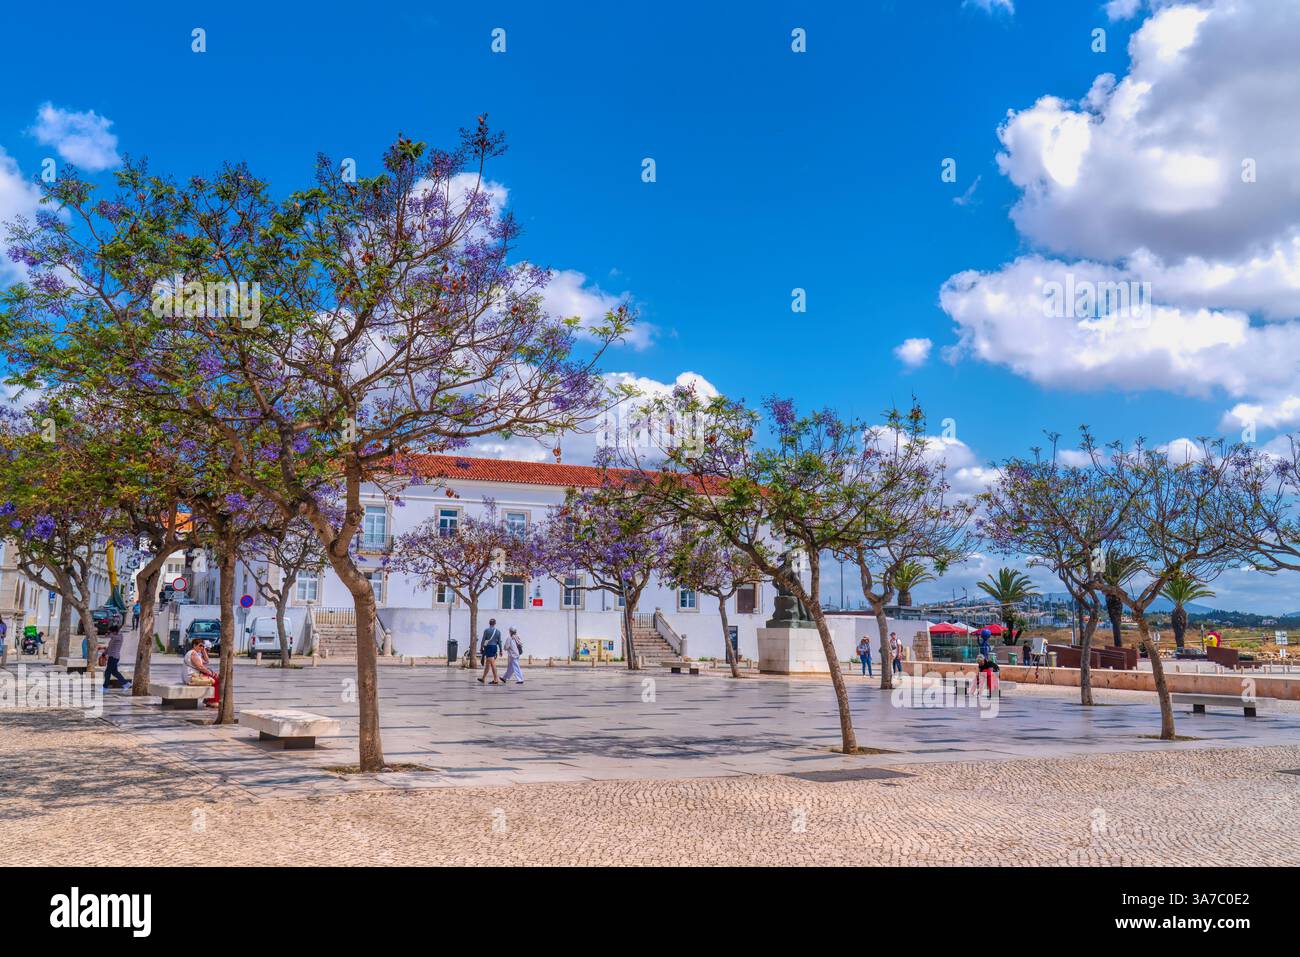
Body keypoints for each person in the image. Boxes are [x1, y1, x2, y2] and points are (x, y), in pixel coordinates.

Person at [182, 636, 220, 708]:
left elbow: (206, 661)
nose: (202, 647)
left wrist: (204, 651)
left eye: (203, 646)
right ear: (194, 645)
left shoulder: (197, 653)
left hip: (194, 676)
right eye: (200, 645)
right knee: (216, 680)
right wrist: (211, 673)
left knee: (215, 678)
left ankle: (208, 700)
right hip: (192, 678)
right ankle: (212, 701)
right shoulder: (193, 653)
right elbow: (200, 667)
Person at [478, 618, 502, 685]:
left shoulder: (486, 630)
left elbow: (483, 640)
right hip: (494, 647)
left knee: (492, 663)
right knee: (487, 664)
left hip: (488, 647)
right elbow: (499, 642)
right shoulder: (498, 631)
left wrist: (481, 647)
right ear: (495, 623)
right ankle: (483, 678)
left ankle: (496, 679)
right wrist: (501, 650)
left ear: (489, 623)